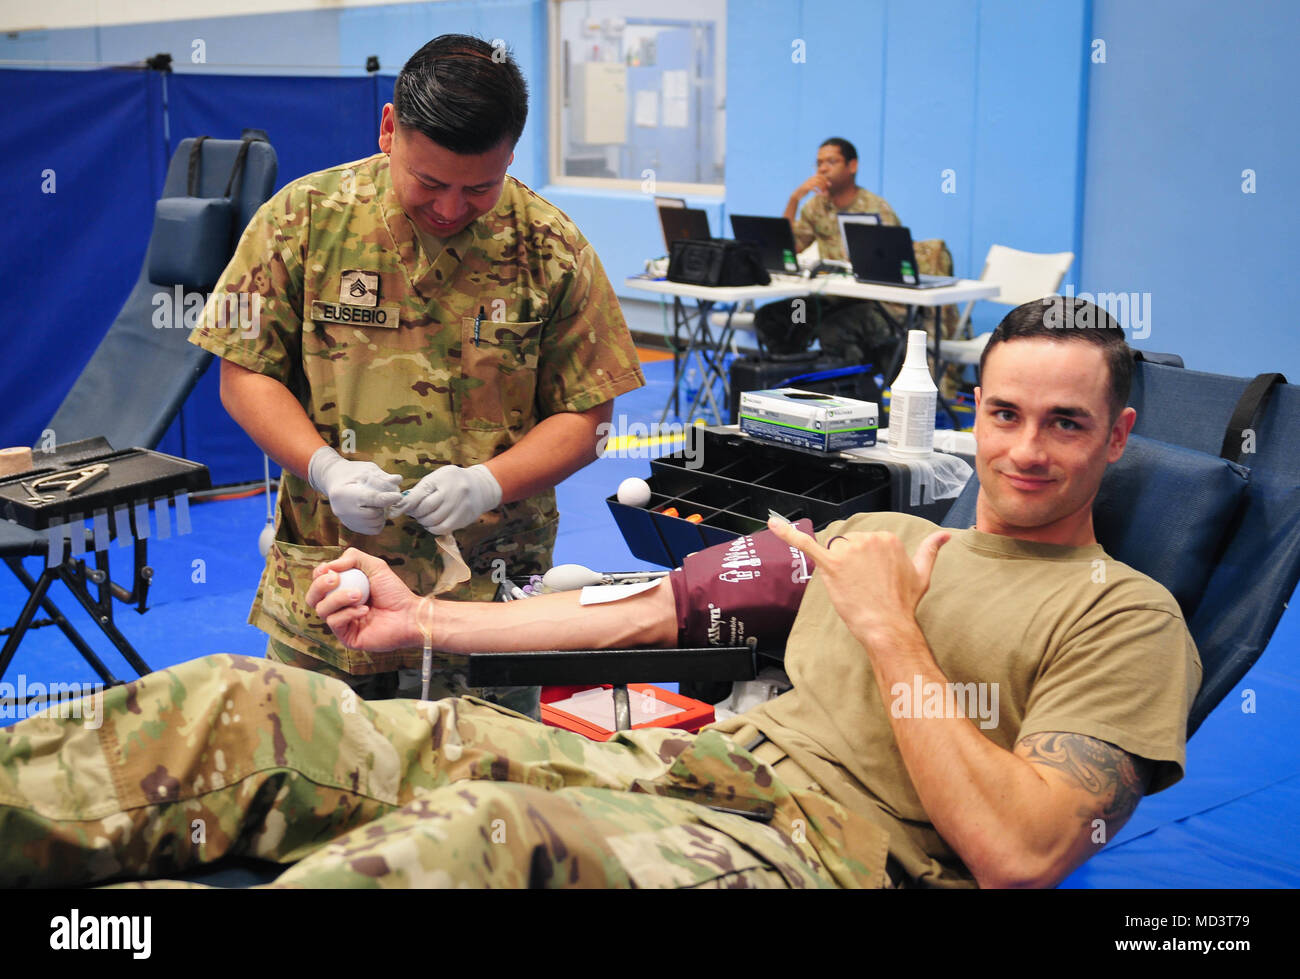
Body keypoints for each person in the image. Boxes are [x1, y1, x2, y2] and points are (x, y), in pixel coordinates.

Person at [1, 299, 1199, 888]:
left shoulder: (1124, 615)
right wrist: (426, 620)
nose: (1024, 449)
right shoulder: (875, 529)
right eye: (1002, 414)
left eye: (1065, 423)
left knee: (467, 845)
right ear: (971, 411)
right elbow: (644, 613)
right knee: (244, 700)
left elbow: (1022, 849)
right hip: (700, 770)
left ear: (1117, 436)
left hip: (826, 858)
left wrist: (891, 633)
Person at [190, 35, 645, 717]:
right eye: (430, 182)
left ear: (511, 156)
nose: (452, 208)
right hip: (332, 593)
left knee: (487, 804)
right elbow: (243, 375)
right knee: (313, 795)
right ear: (387, 128)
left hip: (487, 608)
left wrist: (489, 482)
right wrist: (324, 470)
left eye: (480, 187)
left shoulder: (550, 248)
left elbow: (587, 418)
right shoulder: (303, 220)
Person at [755, 138, 902, 371]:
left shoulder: (875, 208)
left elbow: (893, 262)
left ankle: (852, 393)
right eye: (819, 163)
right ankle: (795, 377)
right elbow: (787, 250)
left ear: (852, 166)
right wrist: (794, 199)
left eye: (831, 161)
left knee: (834, 330)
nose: (823, 169)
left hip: (875, 306)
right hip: (832, 300)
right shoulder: (815, 206)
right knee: (777, 317)